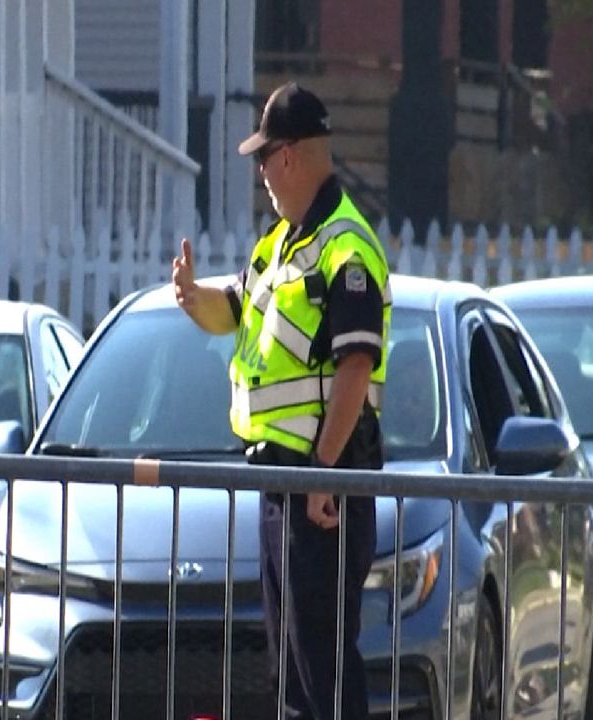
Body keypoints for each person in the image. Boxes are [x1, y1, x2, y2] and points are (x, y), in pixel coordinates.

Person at [172, 81, 389, 719]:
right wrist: (193, 299)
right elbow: (235, 310)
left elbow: (356, 366)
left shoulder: (346, 249)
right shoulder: (281, 244)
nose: (261, 174)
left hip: (322, 489)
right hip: (285, 485)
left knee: (323, 670)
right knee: (292, 669)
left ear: (289, 156)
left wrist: (323, 471)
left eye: (264, 159)